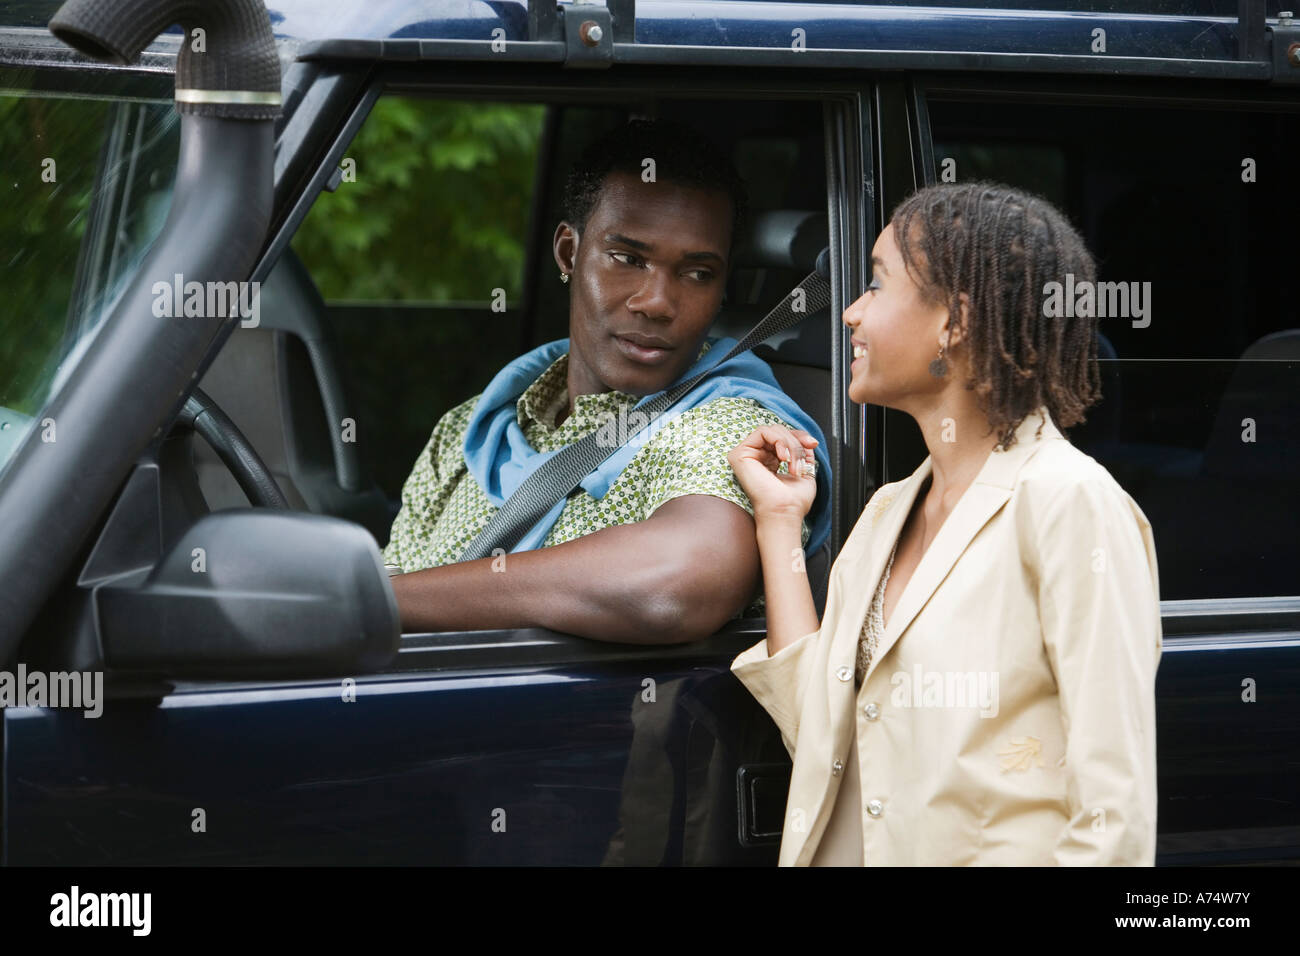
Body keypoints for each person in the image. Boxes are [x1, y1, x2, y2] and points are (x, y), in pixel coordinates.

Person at [727, 181, 1162, 865]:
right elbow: (824, 739)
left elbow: (1115, 821)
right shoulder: (888, 514)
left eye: (875, 284)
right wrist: (780, 524)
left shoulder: (1069, 503)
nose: (849, 313)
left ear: (954, 322)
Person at [383, 118, 832, 641]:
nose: (657, 303)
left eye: (697, 273)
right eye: (628, 259)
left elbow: (671, 586)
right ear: (569, 253)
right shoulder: (470, 429)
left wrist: (374, 603)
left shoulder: (729, 428)